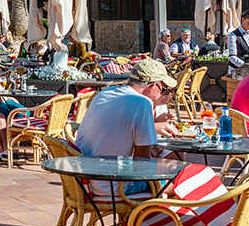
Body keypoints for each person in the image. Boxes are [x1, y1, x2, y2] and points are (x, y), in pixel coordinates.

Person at [75, 58, 179, 196]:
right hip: (112, 185)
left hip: (82, 181)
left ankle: (133, 217)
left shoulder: (105, 93)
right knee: (181, 184)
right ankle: (145, 217)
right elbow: (142, 163)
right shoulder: (142, 103)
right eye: (164, 90)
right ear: (152, 87)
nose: (165, 94)